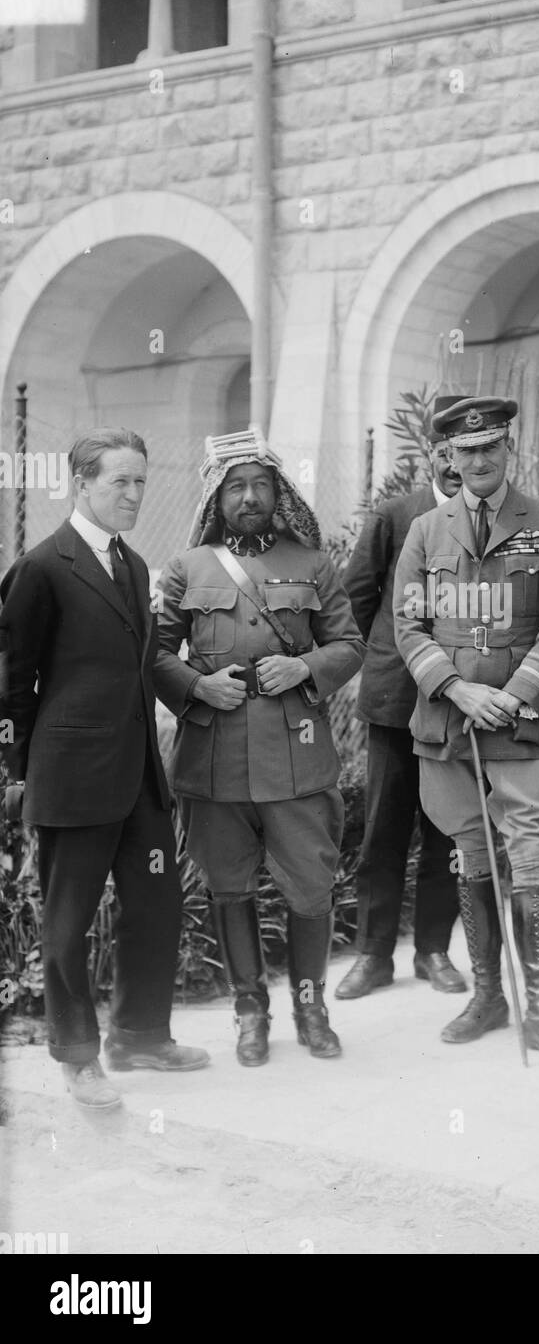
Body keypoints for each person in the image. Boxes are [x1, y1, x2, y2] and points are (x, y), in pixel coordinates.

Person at [0, 429, 209, 1110]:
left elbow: (141, 665)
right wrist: (19, 769)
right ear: (81, 483)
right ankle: (79, 1060)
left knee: (156, 903)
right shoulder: (42, 566)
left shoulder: (137, 566)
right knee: (69, 920)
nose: (134, 494)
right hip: (72, 775)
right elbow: (11, 681)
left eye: (142, 481)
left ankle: (141, 1035)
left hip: (137, 775)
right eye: (120, 481)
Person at [154, 428, 365, 1067]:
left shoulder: (313, 563)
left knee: (310, 890)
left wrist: (306, 670)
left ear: (279, 492)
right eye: (235, 488)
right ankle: (250, 1013)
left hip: (298, 759)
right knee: (228, 887)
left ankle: (310, 1008)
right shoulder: (187, 569)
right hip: (214, 759)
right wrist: (196, 685)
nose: (249, 497)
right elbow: (157, 654)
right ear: (217, 500)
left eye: (260, 485)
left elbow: (350, 643)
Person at [393, 396, 539, 1067]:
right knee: (470, 854)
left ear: (510, 449)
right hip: (449, 725)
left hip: (524, 725)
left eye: (490, 449)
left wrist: (511, 695)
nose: (478, 460)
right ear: (448, 456)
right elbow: (408, 626)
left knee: (532, 856)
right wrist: (457, 688)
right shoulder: (425, 532)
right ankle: (486, 996)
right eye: (465, 451)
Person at [335, 405, 466, 1000]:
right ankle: (372, 953)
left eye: (471, 447)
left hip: (460, 702)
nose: (458, 459)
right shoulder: (394, 516)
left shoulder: (494, 517)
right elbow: (355, 605)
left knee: (448, 829)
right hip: (395, 701)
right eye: (447, 448)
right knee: (384, 828)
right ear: (432, 453)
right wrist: (364, 667)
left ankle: (434, 950)